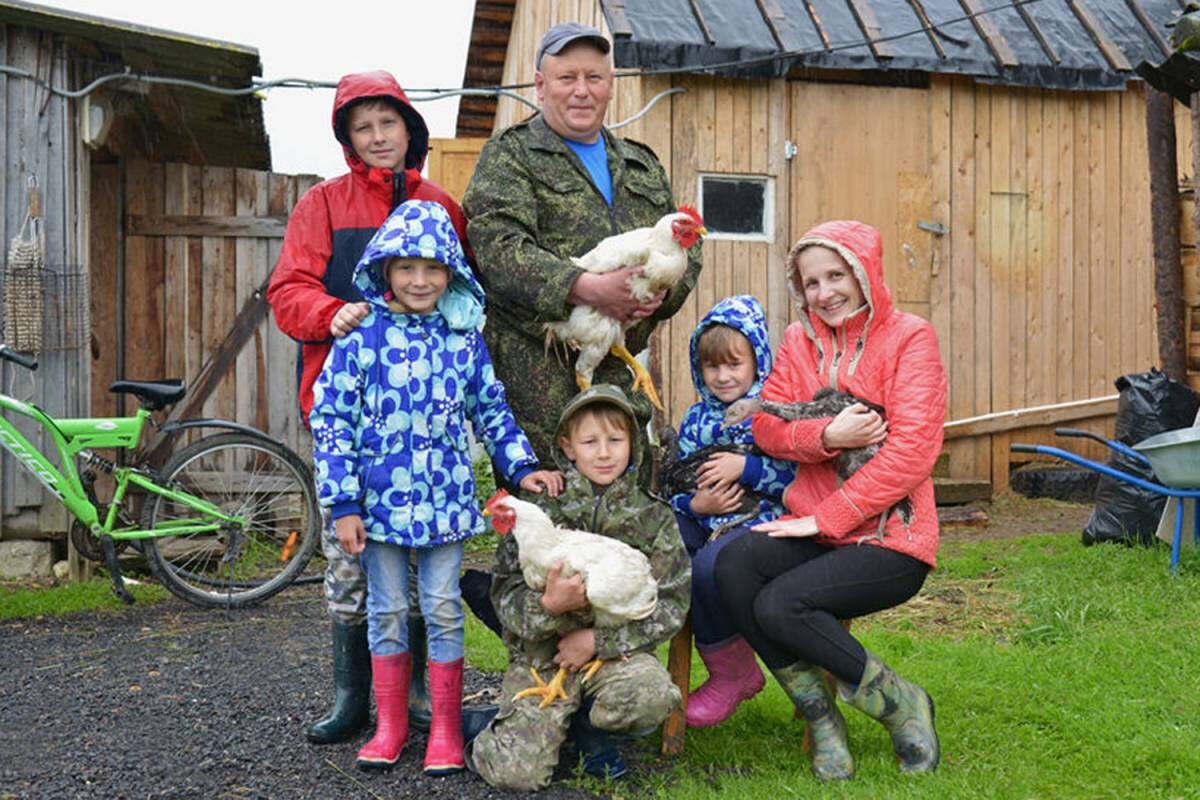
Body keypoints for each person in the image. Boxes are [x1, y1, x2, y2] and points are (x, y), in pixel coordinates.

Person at [309, 199, 562, 774]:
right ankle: (391, 725)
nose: (420, 281)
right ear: (385, 271)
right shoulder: (361, 335)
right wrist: (343, 503)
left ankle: (445, 730)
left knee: (444, 607)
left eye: (432, 268)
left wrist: (521, 467)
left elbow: (491, 409)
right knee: (388, 608)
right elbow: (331, 421)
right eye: (406, 268)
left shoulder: (462, 337)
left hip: (446, 503)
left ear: (451, 272)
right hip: (377, 508)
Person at [267, 70, 481, 746]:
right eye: (363, 126)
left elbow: (465, 298)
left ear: (410, 128)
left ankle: (416, 691)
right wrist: (333, 316)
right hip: (352, 416)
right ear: (347, 138)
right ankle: (350, 694)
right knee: (351, 556)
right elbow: (287, 292)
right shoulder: (322, 206)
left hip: (430, 422)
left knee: (425, 568)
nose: (378, 136)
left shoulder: (443, 203)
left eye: (388, 123)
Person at [715, 220, 947, 781]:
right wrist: (828, 438)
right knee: (734, 566)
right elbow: (768, 429)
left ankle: (900, 703)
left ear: (865, 274)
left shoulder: (910, 338)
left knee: (780, 605)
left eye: (836, 276)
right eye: (811, 282)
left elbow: (913, 451)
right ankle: (823, 720)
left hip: (891, 538)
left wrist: (829, 514)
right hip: (815, 528)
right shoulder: (800, 342)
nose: (825, 292)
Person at [463, 22, 703, 480]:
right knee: (546, 529)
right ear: (539, 85)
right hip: (540, 377)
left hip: (621, 370)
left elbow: (686, 245)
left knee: (627, 522)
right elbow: (499, 248)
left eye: (594, 78)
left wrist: (657, 295)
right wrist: (586, 287)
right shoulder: (511, 157)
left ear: (611, 85)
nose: (581, 91)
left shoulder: (641, 164)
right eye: (566, 77)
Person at [468, 385, 690, 791]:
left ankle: (588, 728)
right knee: (515, 776)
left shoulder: (654, 517)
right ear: (568, 448)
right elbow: (504, 594)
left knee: (652, 695)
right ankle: (486, 729)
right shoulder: (540, 507)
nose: (604, 452)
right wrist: (549, 605)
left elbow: (672, 606)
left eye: (615, 440)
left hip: (616, 655)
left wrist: (599, 640)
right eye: (590, 441)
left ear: (633, 444)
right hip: (543, 656)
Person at [667, 295, 796, 728]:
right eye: (712, 367)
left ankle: (732, 673)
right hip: (707, 517)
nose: (723, 377)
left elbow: (796, 478)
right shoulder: (696, 417)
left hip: (759, 521)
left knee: (708, 569)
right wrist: (694, 503)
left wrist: (748, 467)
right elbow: (678, 481)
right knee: (669, 547)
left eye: (733, 365)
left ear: (757, 360)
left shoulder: (772, 413)